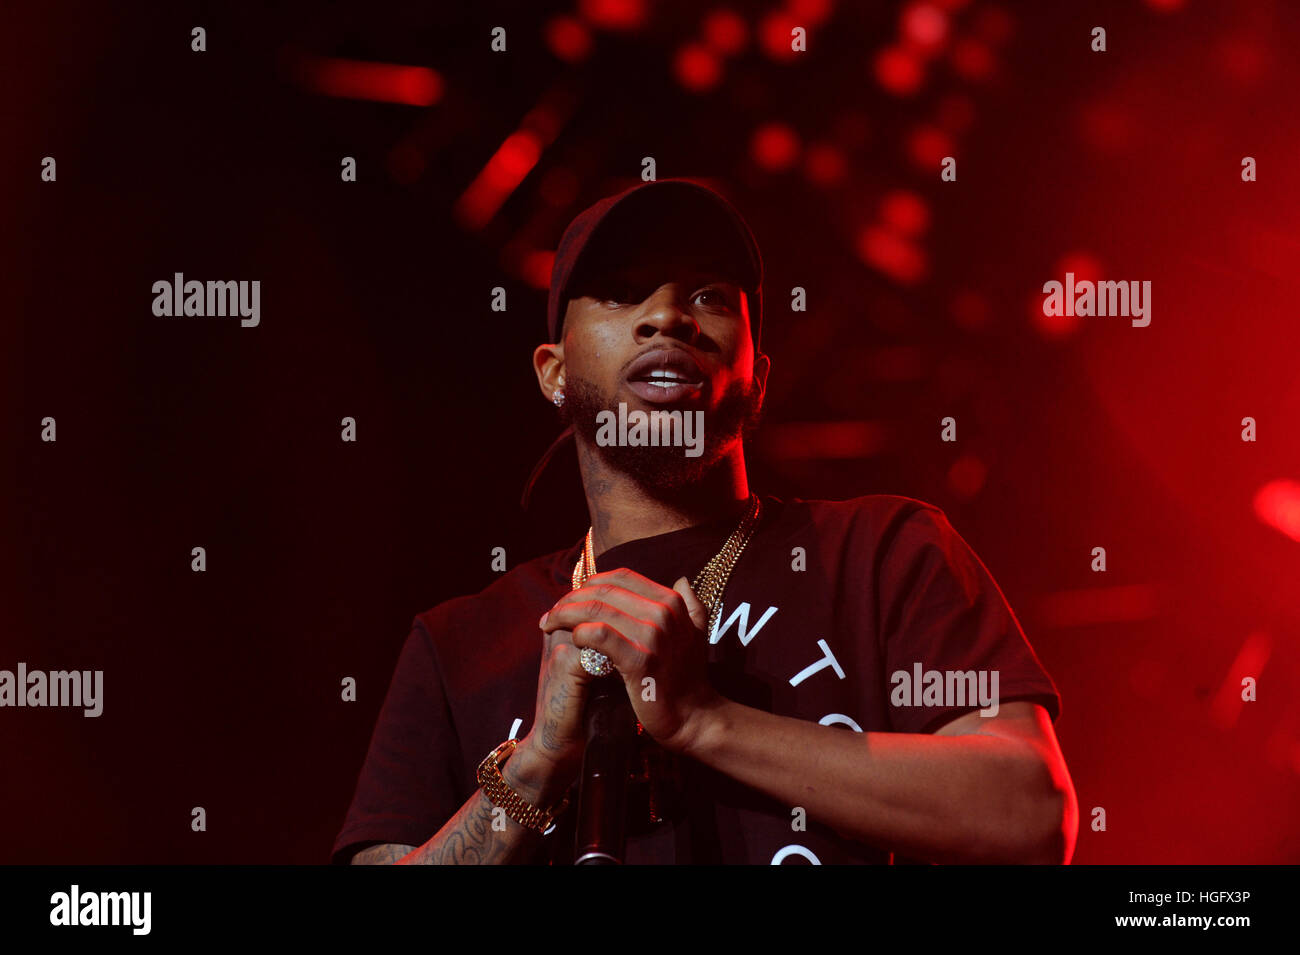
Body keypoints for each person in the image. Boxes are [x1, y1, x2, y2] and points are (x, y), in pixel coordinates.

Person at [332, 178, 1077, 865]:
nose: (669, 317)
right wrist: (535, 767)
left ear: (758, 374)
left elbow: (1028, 810)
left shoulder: (882, 554)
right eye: (624, 294)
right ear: (553, 372)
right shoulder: (458, 644)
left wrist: (702, 720)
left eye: (712, 296)